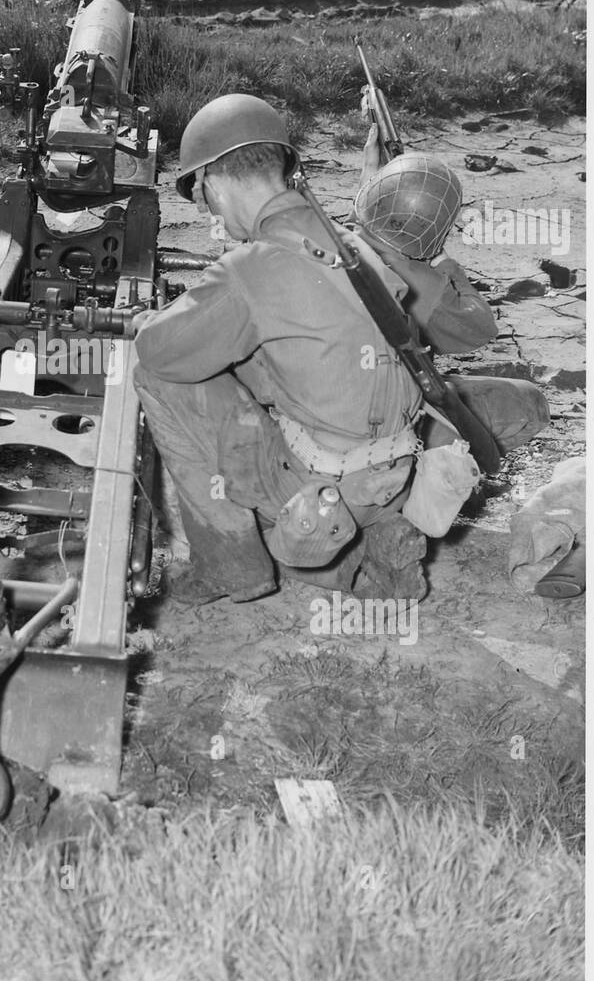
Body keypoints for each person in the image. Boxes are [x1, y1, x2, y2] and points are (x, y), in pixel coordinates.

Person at [133, 96, 544, 608]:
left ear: (211, 181)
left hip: (325, 484)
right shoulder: (355, 243)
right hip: (400, 468)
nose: (208, 209)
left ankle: (234, 565)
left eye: (201, 196)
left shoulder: (248, 270)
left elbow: (161, 353)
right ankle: (372, 535)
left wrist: (147, 321)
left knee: (156, 376)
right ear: (289, 167)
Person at [351, 146, 548, 468]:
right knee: (529, 403)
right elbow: (481, 328)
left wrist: (373, 175)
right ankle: (445, 477)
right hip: (390, 417)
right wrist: (444, 263)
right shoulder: (425, 286)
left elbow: (360, 220)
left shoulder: (336, 242)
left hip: (331, 405)